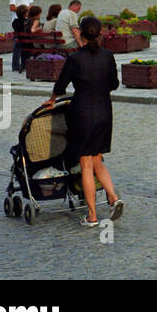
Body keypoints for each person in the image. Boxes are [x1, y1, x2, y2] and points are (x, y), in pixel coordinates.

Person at [49, 16, 123, 227]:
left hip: (82, 113)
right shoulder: (108, 56)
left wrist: (52, 100)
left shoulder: (75, 59)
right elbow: (114, 84)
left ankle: (91, 216)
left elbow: (60, 85)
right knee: (98, 158)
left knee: (86, 164)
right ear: (100, 34)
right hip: (104, 112)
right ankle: (114, 197)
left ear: (80, 34)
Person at [11, 5, 30, 73]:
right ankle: (24, 65)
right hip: (27, 43)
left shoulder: (15, 22)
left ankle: (15, 66)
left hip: (19, 41)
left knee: (16, 43)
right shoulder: (27, 22)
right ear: (25, 13)